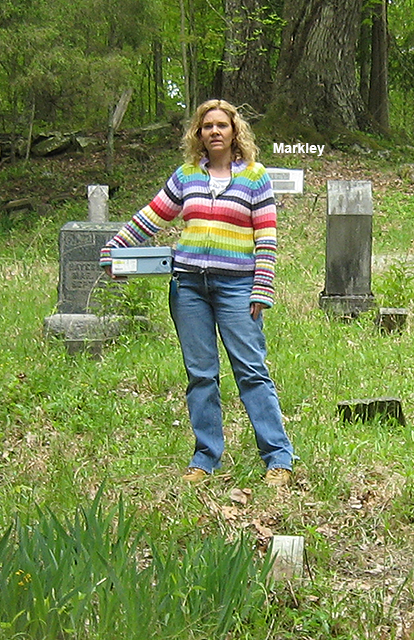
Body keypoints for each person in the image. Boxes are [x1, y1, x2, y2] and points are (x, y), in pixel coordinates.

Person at [99, 99, 294, 486]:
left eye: (222, 125)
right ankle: (205, 457)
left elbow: (267, 238)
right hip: (189, 286)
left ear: (235, 132)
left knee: (252, 372)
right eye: (207, 126)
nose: (215, 132)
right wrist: (115, 248)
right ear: (198, 134)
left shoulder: (256, 178)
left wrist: (262, 288)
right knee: (201, 374)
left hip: (238, 287)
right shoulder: (186, 176)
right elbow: (152, 216)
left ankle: (278, 458)